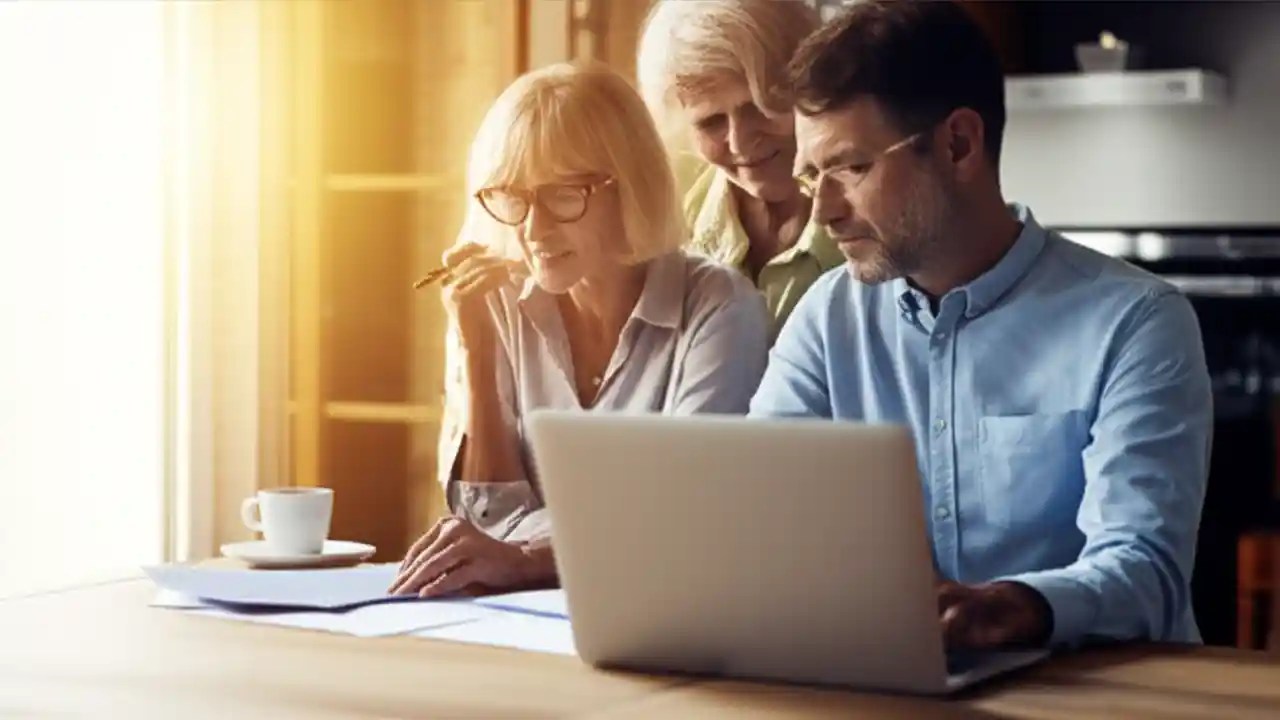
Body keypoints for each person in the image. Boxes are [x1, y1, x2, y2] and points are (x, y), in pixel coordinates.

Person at [750, 0, 1212, 651]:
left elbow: (1147, 571)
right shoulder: (826, 320)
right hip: (892, 684)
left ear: (958, 144)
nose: (822, 210)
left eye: (850, 168)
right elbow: (757, 513)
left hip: (1097, 690)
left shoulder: (1136, 322)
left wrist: (1019, 606)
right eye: (810, 175)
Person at [390, 62, 769, 598]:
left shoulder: (718, 308)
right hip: (520, 614)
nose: (532, 230)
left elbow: (685, 521)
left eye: (564, 195)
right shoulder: (494, 304)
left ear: (630, 185)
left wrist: (526, 559)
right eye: (512, 197)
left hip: (661, 609)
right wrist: (476, 345)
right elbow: (494, 517)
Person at [637, 0, 843, 340]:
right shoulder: (671, 225)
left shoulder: (871, 220)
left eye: (760, 107)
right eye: (711, 122)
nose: (740, 142)